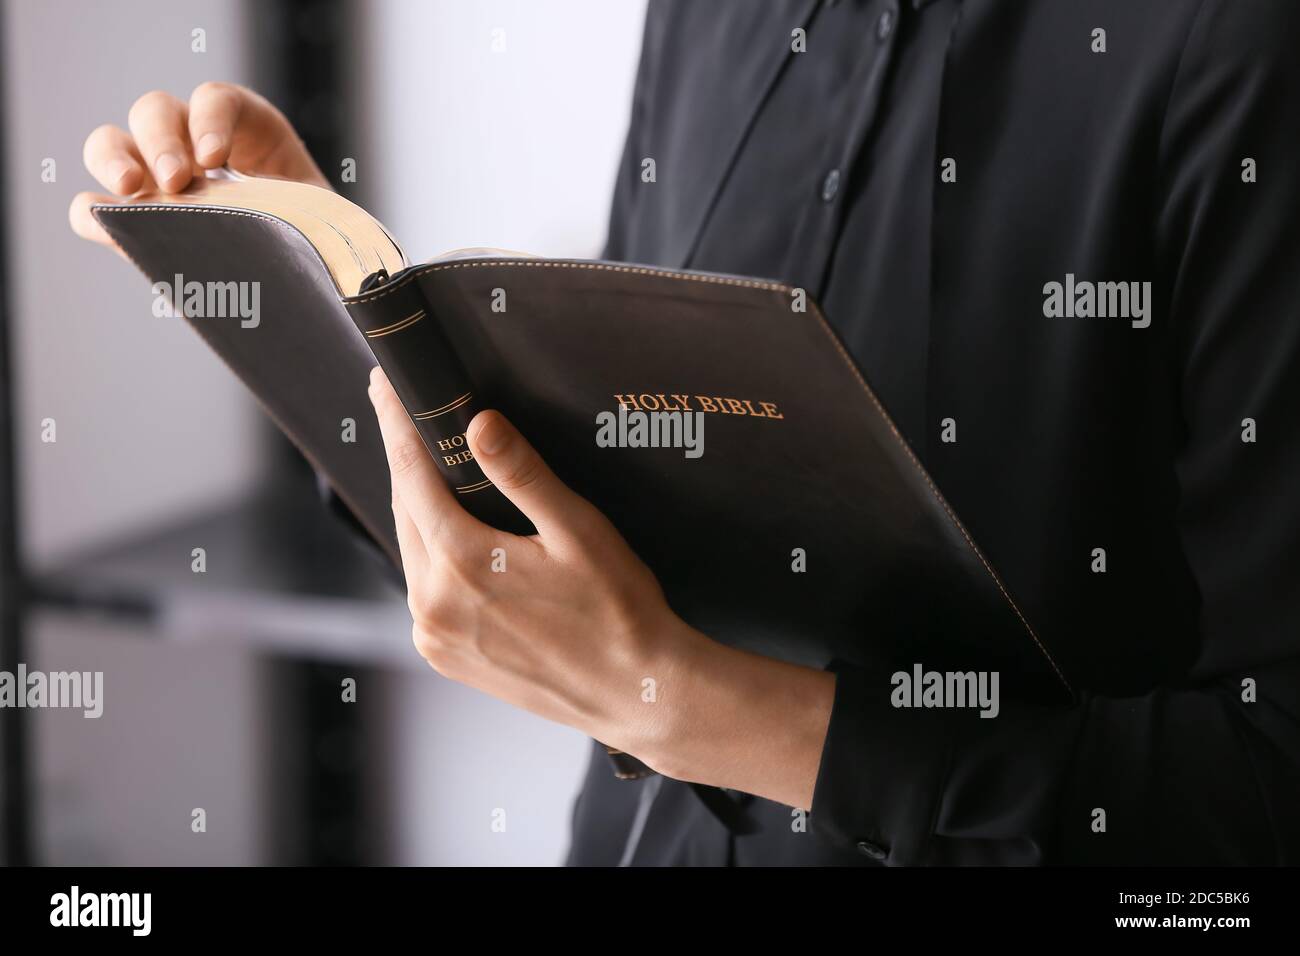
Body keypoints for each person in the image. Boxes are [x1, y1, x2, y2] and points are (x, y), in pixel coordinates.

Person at [71, 0, 1300, 866]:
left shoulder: (1237, 49)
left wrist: (690, 706)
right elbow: (592, 519)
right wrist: (328, 287)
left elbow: (1268, 779)